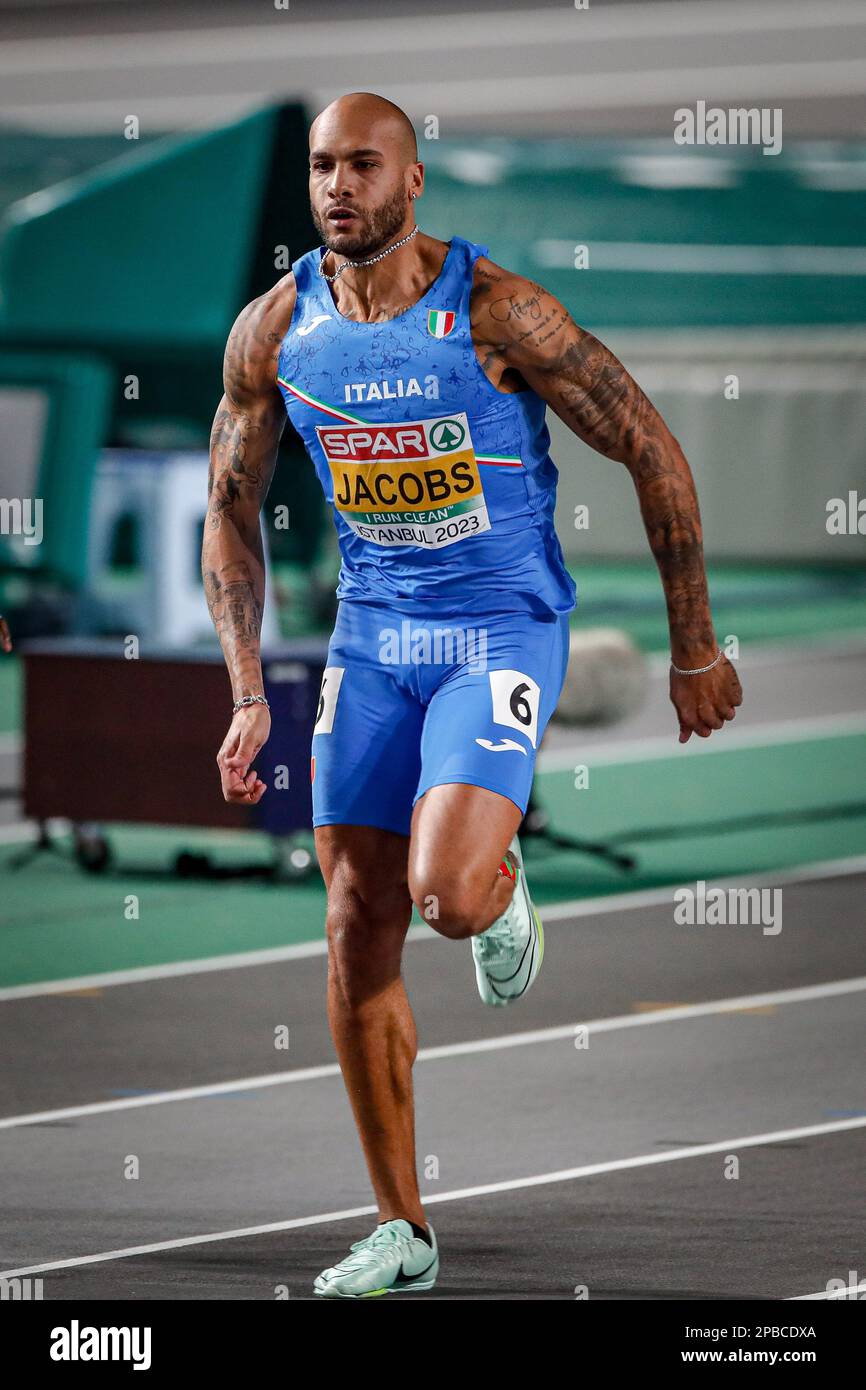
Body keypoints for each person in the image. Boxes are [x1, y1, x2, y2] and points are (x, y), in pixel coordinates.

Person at [203, 92, 742, 1299]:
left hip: (498, 630)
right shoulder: (275, 330)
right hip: (371, 639)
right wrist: (247, 690)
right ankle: (402, 1228)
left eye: (363, 166)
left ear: (413, 180)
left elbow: (648, 444)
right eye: (319, 168)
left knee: (441, 896)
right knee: (353, 920)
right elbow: (228, 505)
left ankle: (495, 888)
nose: (337, 187)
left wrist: (693, 646)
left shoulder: (499, 312)